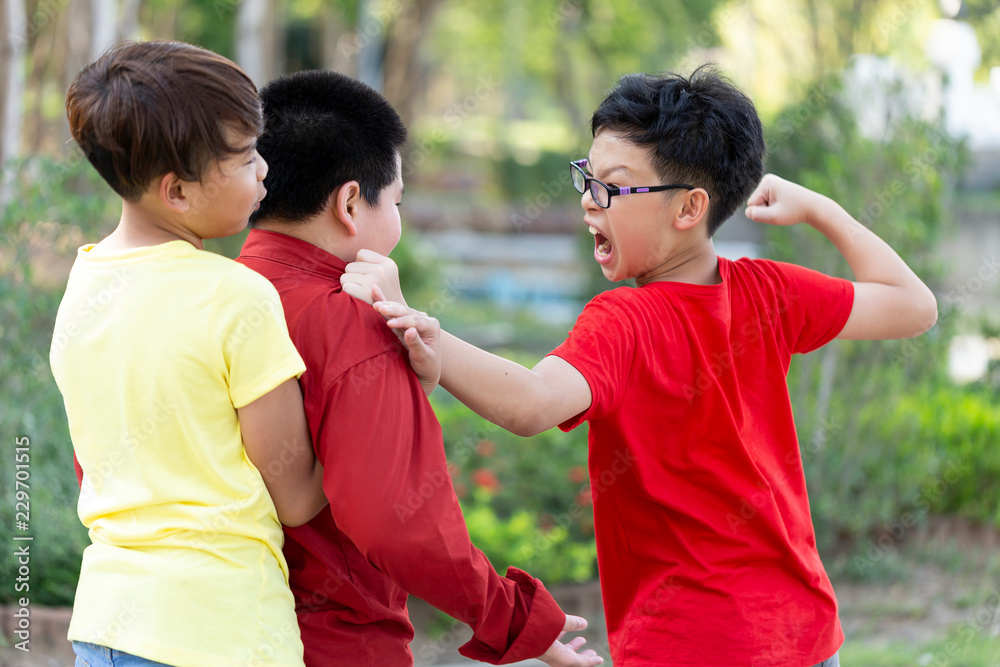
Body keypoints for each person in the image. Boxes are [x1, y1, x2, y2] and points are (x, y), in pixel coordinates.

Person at [345, 67, 939, 666]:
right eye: (587, 176)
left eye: (611, 186)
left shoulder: (626, 321)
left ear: (688, 208)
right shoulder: (769, 292)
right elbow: (915, 306)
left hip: (691, 645)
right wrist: (821, 210)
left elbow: (531, 404)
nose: (587, 199)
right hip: (807, 635)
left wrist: (427, 334)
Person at [235, 69, 602, 667]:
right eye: (397, 201)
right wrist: (520, 624)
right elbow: (398, 521)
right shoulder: (349, 319)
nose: (399, 219)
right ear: (350, 203)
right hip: (334, 642)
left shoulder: (211, 294)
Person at [51, 41, 326, 667]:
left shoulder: (83, 284)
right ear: (176, 191)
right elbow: (297, 495)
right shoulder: (236, 296)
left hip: (105, 624)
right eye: (245, 158)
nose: (264, 171)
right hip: (219, 631)